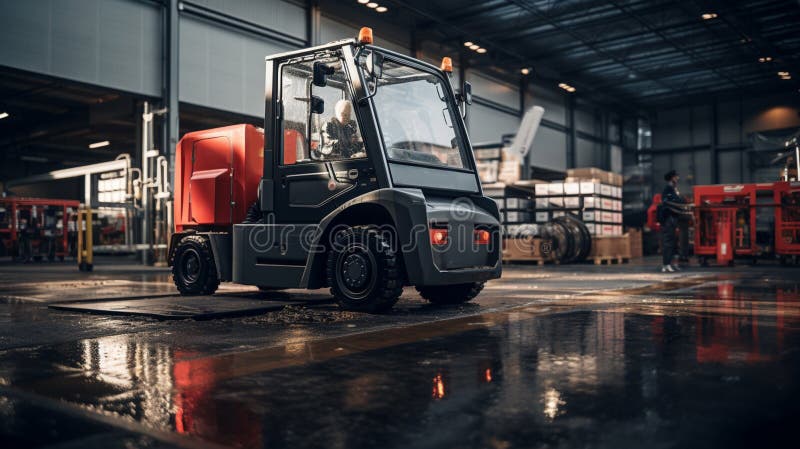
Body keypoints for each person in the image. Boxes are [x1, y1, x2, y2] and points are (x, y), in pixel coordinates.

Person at [659, 170, 691, 272]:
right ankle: (665, 264)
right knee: (668, 242)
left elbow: (678, 199)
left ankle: (669, 263)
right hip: (668, 218)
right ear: (672, 178)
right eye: (676, 176)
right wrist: (682, 201)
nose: (678, 178)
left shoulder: (673, 188)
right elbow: (673, 201)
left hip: (673, 218)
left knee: (672, 242)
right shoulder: (668, 189)